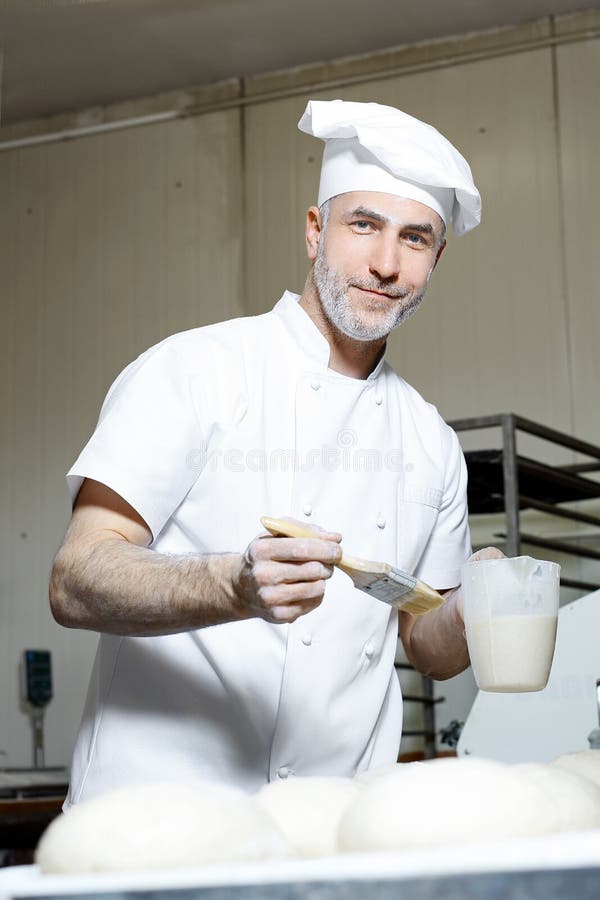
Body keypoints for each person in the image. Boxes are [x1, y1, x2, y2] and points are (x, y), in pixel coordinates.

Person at [50, 99, 501, 808]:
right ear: (315, 230)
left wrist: (476, 609)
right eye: (364, 225)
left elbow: (427, 644)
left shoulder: (431, 442)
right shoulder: (194, 370)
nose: (386, 264)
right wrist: (231, 586)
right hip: (155, 821)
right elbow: (76, 579)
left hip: (331, 829)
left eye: (414, 239)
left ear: (435, 259)